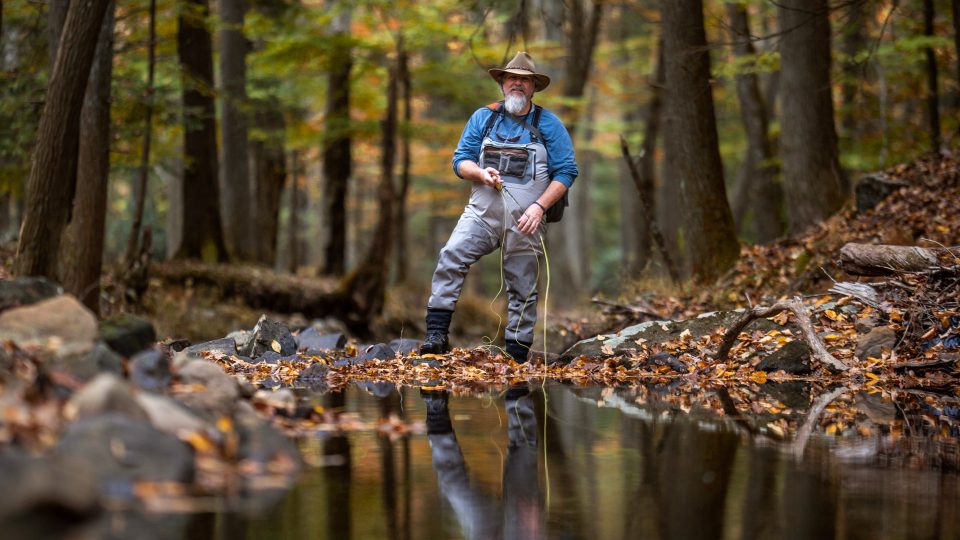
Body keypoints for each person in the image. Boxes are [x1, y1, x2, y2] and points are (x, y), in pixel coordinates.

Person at [419, 51, 579, 362]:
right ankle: (436, 336)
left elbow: (567, 172)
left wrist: (539, 208)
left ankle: (516, 355)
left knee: (523, 284)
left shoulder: (549, 124)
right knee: (451, 256)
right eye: (511, 78)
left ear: (534, 87)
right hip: (481, 216)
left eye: (524, 80)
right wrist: (480, 173)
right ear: (502, 83)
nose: (517, 83)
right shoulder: (483, 118)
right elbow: (460, 161)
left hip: (527, 221)